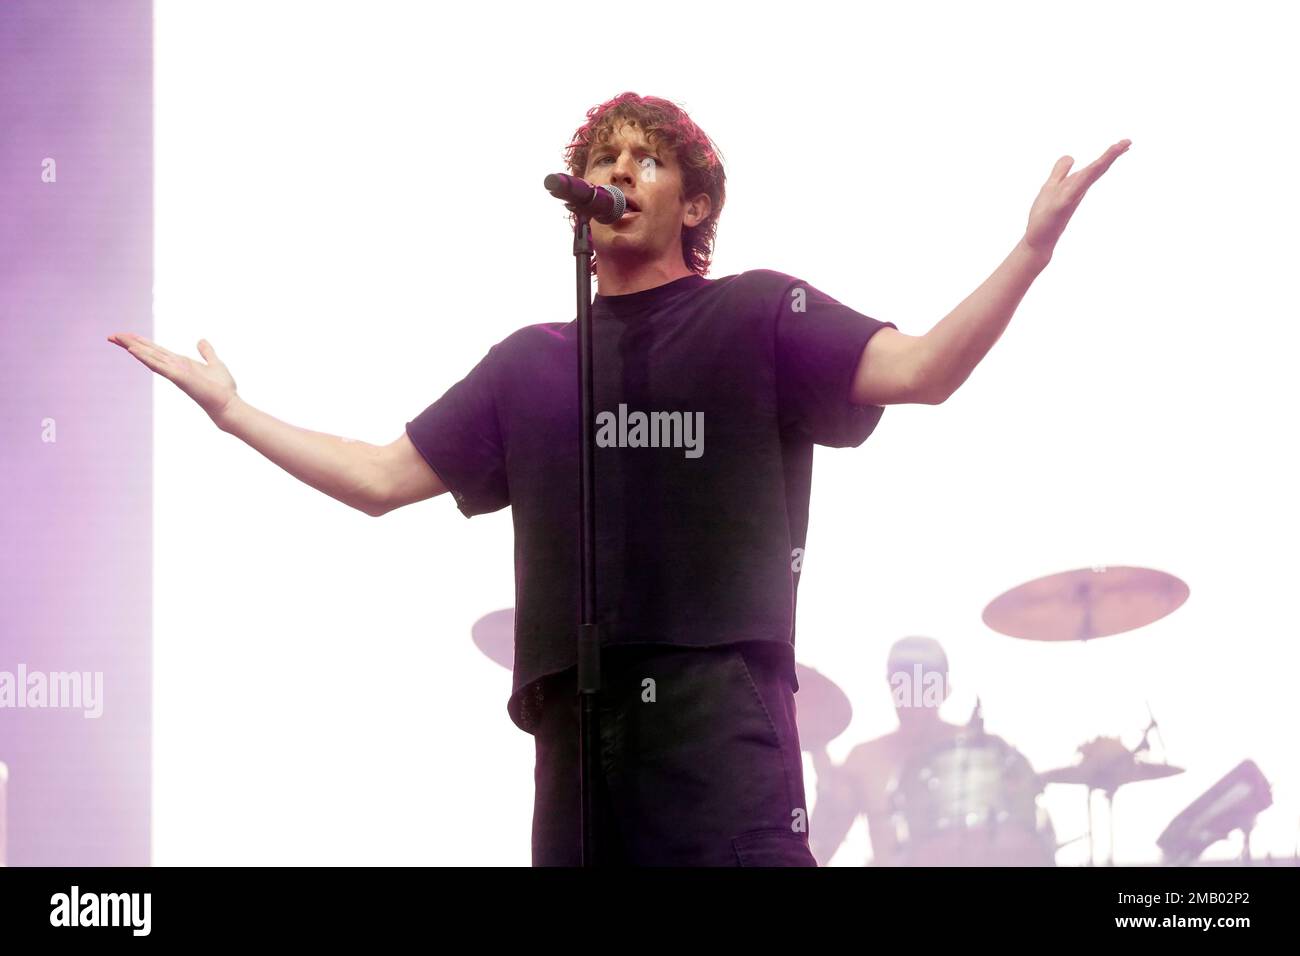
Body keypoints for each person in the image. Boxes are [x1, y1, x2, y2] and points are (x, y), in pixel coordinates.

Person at [108, 92, 1129, 865]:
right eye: (605, 157)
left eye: (648, 158)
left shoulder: (759, 314)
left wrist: (1028, 251)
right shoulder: (533, 359)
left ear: (697, 200)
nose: (620, 170)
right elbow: (380, 476)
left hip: (719, 710)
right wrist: (235, 413)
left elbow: (922, 370)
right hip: (576, 729)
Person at [810, 636, 968, 865]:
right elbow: (818, 850)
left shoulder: (983, 751)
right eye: (902, 683)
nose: (913, 694)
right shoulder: (863, 760)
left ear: (944, 689)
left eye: (924, 683)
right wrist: (825, 783)